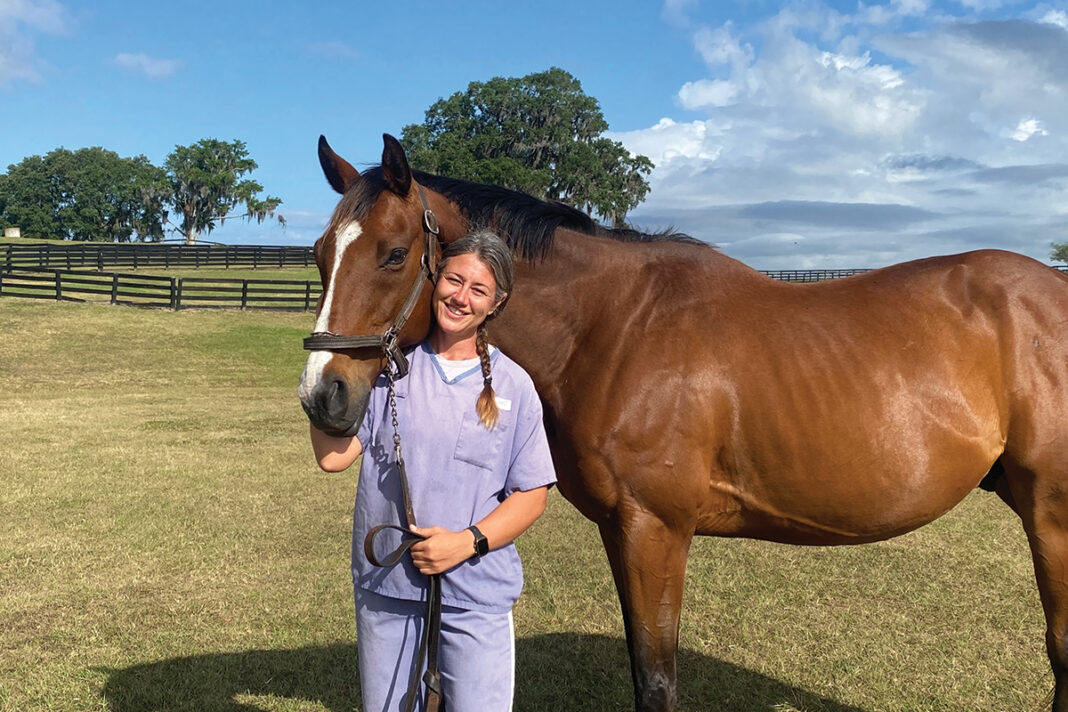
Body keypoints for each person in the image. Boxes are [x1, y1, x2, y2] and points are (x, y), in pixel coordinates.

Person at [310, 229, 556, 712]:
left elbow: (532, 494)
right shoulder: (392, 372)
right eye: (453, 279)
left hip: (475, 594)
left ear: (496, 302)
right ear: (435, 279)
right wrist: (319, 375)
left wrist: (465, 543)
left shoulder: (515, 386)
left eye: (478, 289)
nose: (461, 297)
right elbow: (332, 458)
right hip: (389, 588)